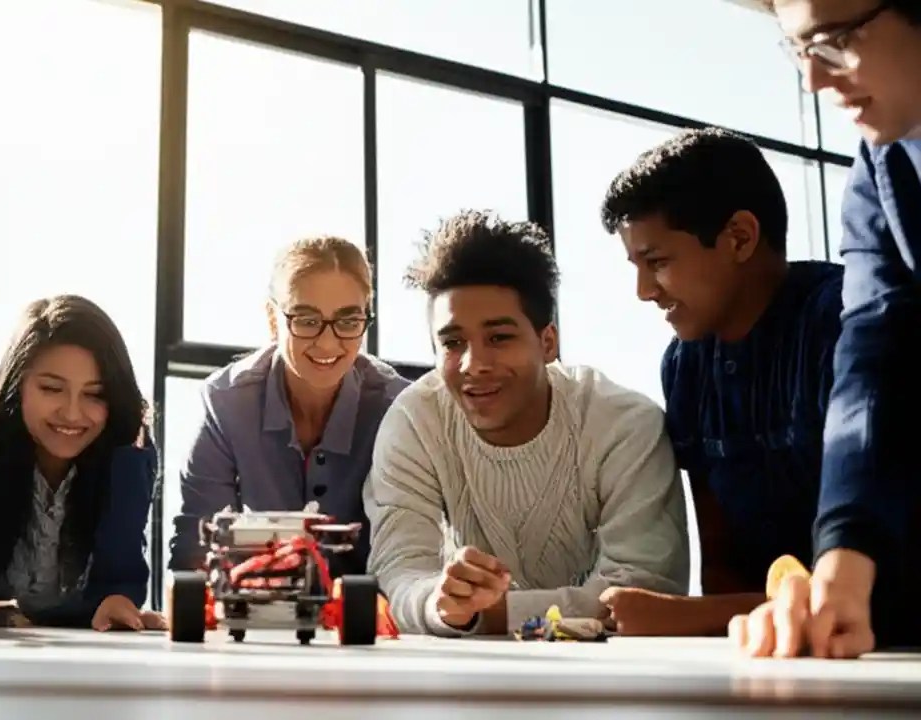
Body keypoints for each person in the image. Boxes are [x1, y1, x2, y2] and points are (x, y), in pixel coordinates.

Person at [364, 210, 689, 637]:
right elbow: (398, 571)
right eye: (452, 342)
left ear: (547, 342)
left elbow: (643, 593)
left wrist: (486, 614)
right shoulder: (414, 421)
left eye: (499, 337)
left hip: (604, 673)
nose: (473, 364)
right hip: (461, 673)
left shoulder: (624, 425)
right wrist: (438, 602)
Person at [595, 128, 843, 637]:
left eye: (658, 262)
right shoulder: (685, 366)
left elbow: (893, 573)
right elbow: (721, 564)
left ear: (739, 238)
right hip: (770, 649)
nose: (644, 292)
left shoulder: (845, 325)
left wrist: (681, 616)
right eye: (636, 266)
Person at [732, 0, 921, 659]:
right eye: (799, 49)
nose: (813, 79)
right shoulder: (882, 170)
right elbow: (872, 356)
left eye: (837, 39)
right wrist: (844, 556)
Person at [169, 236, 409, 575]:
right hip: (255, 607)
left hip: (371, 616)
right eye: (307, 320)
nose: (328, 343)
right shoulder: (226, 403)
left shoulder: (398, 408)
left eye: (348, 321)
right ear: (272, 318)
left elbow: (410, 551)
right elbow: (197, 544)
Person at [0, 295, 163, 632]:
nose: (72, 413)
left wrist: (116, 602)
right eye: (52, 388)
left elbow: (121, 577)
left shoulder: (128, 455)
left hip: (80, 651)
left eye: (94, 394)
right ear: (18, 386)